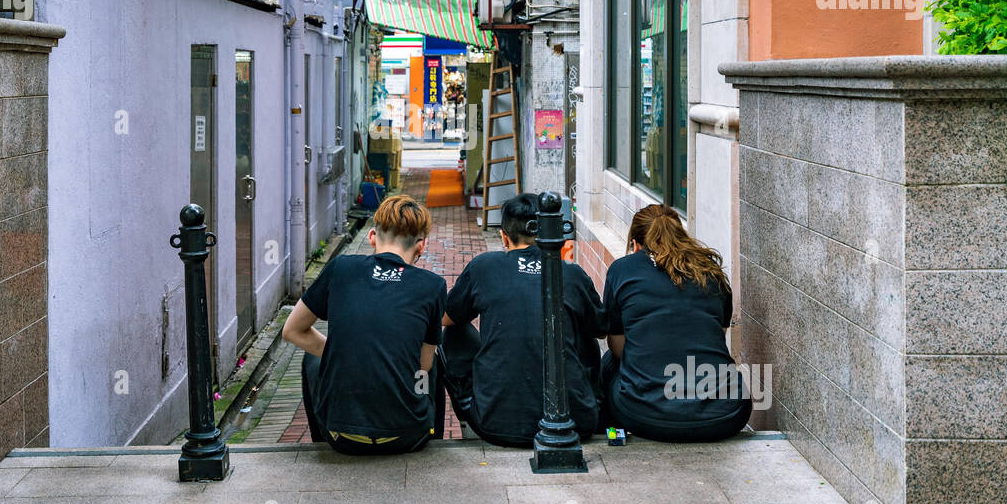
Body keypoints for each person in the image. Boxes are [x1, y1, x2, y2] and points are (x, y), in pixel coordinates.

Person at [281, 194, 447, 455]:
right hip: (407, 436)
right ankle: (432, 433)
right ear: (421, 246)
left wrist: (342, 353)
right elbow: (422, 366)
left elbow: (291, 330)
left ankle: (320, 442)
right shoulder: (433, 285)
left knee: (311, 360)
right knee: (434, 358)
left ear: (372, 236)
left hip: (341, 437)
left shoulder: (340, 268)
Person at [438, 193, 606, 447]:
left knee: (452, 333)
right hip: (576, 423)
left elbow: (447, 318)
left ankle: (467, 401)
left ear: (504, 237)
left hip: (495, 423)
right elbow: (602, 330)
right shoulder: (572, 273)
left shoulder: (484, 266)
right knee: (585, 332)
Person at [601, 205, 752, 442]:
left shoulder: (622, 269)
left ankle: (613, 437)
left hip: (643, 416)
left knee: (609, 363)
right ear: (680, 235)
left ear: (635, 244)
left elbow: (617, 345)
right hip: (726, 415)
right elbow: (715, 335)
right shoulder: (710, 271)